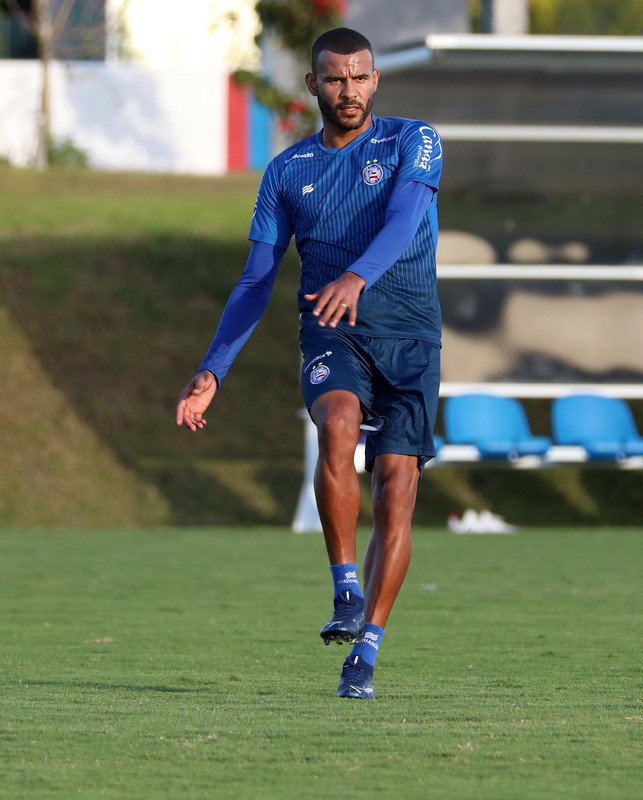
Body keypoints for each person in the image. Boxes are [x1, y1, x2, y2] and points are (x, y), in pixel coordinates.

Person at [175, 27, 443, 700]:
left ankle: (369, 650)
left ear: (375, 80)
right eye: (334, 78)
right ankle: (345, 587)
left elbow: (405, 220)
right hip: (333, 330)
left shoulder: (416, 140)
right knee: (337, 426)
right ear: (312, 85)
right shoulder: (287, 171)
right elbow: (256, 279)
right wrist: (213, 370)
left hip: (411, 338)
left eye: (359, 78)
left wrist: (358, 275)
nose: (347, 90)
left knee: (399, 486)